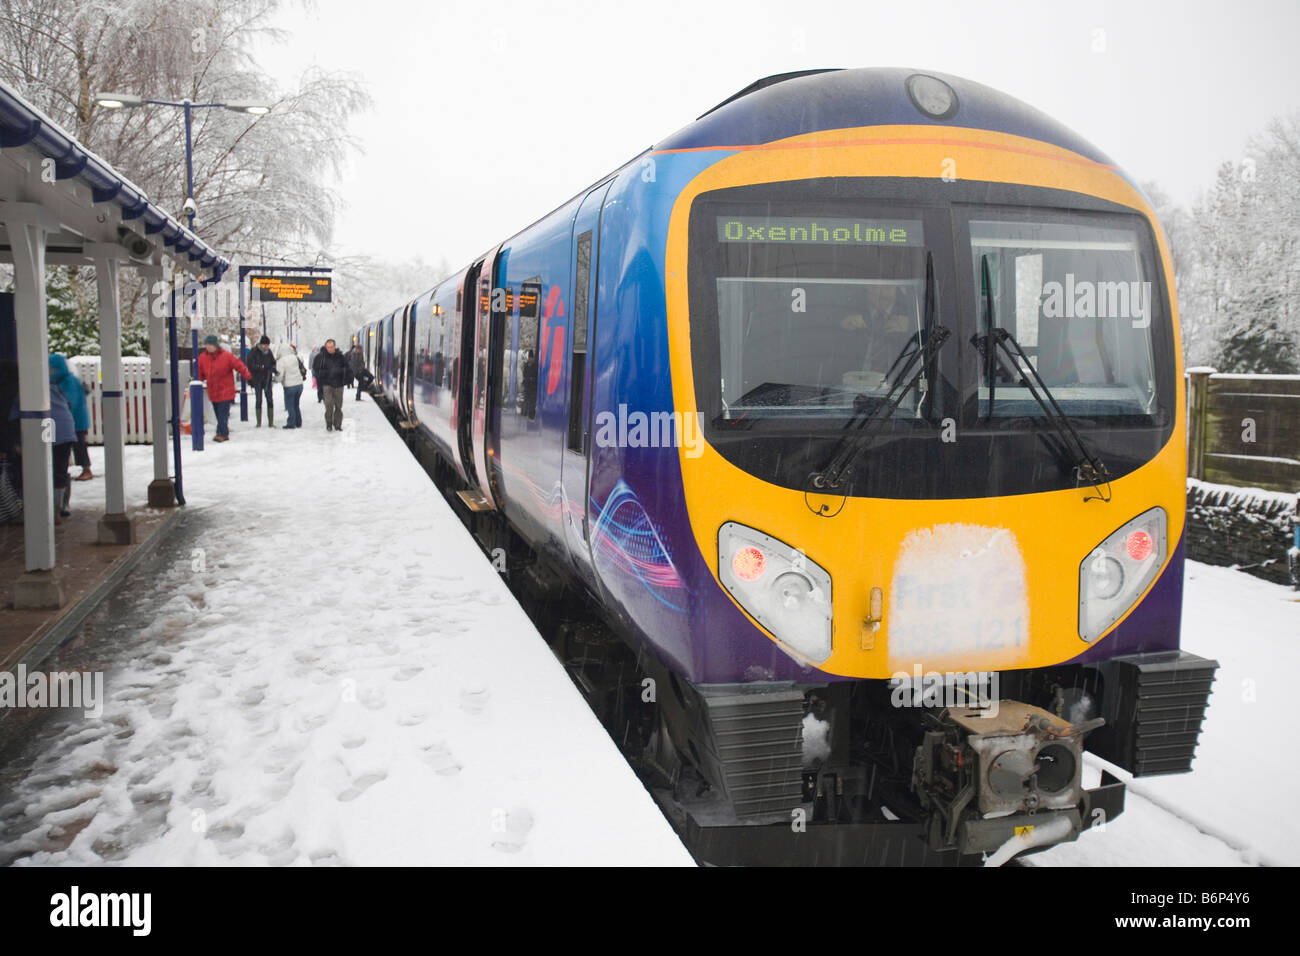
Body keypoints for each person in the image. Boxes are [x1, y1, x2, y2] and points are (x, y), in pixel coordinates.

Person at [196, 334, 252, 442]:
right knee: (218, 413)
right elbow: (200, 372)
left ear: (215, 345)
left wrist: (247, 375)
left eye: (210, 345)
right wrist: (197, 381)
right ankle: (222, 430)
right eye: (206, 345)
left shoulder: (226, 356)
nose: (208, 347)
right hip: (213, 390)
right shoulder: (203, 358)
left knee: (222, 412)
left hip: (225, 389)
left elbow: (238, 365)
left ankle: (222, 433)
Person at [48, 354, 93, 481]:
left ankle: (86, 469)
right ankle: (85, 468)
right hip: (75, 419)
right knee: (78, 445)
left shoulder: (68, 381)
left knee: (79, 446)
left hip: (75, 420)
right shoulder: (66, 380)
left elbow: (69, 401)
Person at [47, 356, 77, 519]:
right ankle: (61, 506)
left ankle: (56, 509)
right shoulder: (59, 386)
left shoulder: (48, 387)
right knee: (60, 468)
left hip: (51, 431)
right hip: (66, 431)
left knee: (53, 469)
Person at [311, 338, 350, 431]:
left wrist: (342, 375)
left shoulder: (340, 357)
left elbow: (347, 368)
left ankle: (337, 424)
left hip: (339, 385)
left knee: (338, 405)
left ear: (334, 347)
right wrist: (324, 374)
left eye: (331, 347)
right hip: (326, 384)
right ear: (325, 347)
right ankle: (329, 423)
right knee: (328, 404)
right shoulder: (320, 357)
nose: (330, 349)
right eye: (328, 347)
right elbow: (315, 369)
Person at [246, 334, 277, 427]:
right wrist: (261, 367)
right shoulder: (254, 352)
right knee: (258, 400)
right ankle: (258, 423)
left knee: (270, 399)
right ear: (261, 344)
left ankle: (271, 423)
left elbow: (273, 362)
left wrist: (273, 368)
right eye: (265, 345)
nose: (266, 347)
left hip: (267, 379)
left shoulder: (269, 352)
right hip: (257, 379)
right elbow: (250, 365)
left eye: (268, 345)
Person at [276, 342, 307, 429]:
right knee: (296, 404)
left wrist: (276, 379)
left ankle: (291, 423)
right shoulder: (295, 357)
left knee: (290, 405)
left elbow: (280, 375)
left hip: (289, 386)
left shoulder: (281, 361)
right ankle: (298, 422)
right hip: (299, 385)